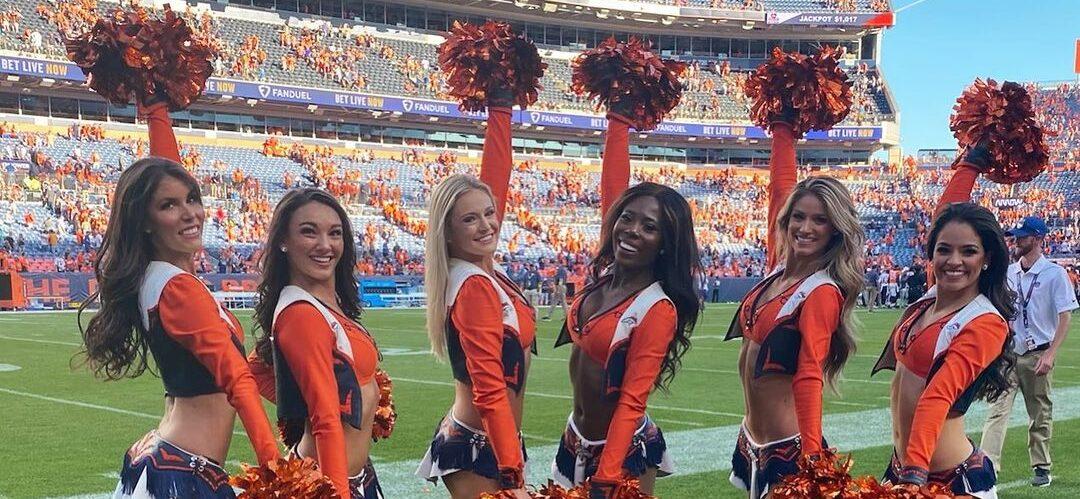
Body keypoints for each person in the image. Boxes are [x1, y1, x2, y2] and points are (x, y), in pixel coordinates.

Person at [78, 96, 279, 497]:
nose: (190, 213)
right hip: (185, 473)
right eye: (170, 206)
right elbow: (235, 381)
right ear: (147, 222)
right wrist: (275, 465)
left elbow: (165, 175)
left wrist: (156, 110)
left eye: (192, 199)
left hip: (167, 455)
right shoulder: (178, 288)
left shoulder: (157, 274)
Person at [724, 110, 865, 498]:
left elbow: (809, 375)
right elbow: (779, 188)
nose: (805, 228)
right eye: (798, 217)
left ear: (835, 228)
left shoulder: (821, 292)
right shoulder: (777, 273)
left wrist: (814, 460)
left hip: (790, 449)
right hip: (754, 440)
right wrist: (782, 126)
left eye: (819, 220)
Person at [552, 182, 701, 497]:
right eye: (627, 218)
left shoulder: (657, 309)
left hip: (621, 451)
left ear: (664, 243)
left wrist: (606, 477)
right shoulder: (602, 279)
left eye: (649, 227)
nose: (632, 230)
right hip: (575, 438)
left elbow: (633, 400)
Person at [249, 188, 388, 498]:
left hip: (350, 476)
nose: (325, 245)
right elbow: (326, 420)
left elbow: (255, 368)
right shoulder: (302, 314)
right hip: (325, 485)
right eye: (309, 232)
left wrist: (299, 401)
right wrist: (337, 492)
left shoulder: (322, 302)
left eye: (335, 233)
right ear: (283, 241)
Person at [872, 203, 1015, 497]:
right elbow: (950, 203)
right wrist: (971, 164)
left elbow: (937, 396)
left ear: (987, 258)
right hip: (902, 468)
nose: (954, 260)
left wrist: (913, 478)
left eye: (969, 251)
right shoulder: (928, 301)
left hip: (946, 483)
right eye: (944, 249)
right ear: (931, 253)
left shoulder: (985, 323)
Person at [416, 174, 534, 499]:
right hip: (479, 444)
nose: (486, 225)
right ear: (449, 232)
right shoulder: (474, 286)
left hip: (493, 437)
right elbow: (488, 387)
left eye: (489, 213)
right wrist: (512, 475)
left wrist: (501, 121)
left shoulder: (489, 273)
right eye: (470, 219)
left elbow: (500, 168)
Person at [980, 216, 1077, 487]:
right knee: (997, 410)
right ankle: (988, 467)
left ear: (1036, 239)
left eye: (1022, 237)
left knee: (1039, 413)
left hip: (1038, 353)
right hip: (1010, 353)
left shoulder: (1054, 273)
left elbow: (1065, 316)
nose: (1016, 240)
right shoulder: (1010, 272)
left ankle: (1041, 466)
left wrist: (1050, 354)